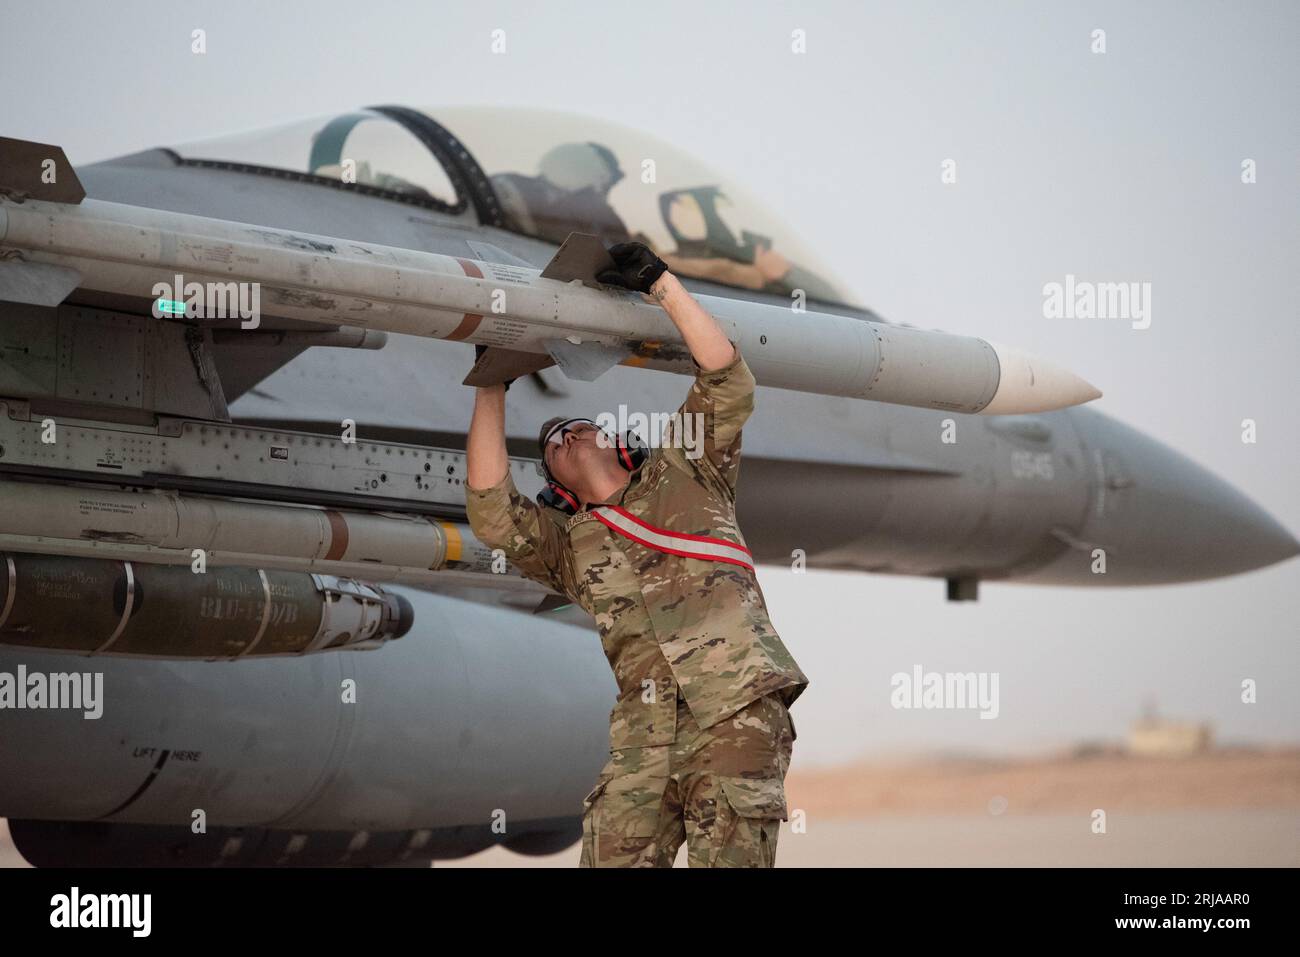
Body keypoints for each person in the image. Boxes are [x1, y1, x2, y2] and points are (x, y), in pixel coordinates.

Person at [464, 242, 809, 867]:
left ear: (618, 442)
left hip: (734, 711)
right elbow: (491, 511)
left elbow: (726, 381)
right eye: (551, 443)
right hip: (642, 737)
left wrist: (662, 284)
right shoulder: (569, 545)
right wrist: (492, 384)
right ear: (555, 486)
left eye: (577, 425)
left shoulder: (689, 470)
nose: (562, 433)